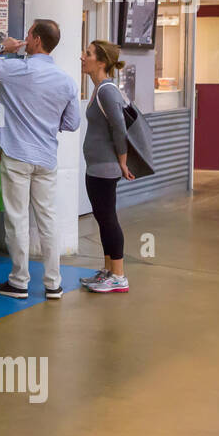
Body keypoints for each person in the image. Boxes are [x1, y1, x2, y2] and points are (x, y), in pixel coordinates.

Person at [0, 19, 80, 301]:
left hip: (17, 155)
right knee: (47, 220)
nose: (24, 37)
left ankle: (19, 282)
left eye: (28, 34)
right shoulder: (66, 81)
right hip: (46, 158)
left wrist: (1, 48)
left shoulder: (17, 69)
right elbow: (73, 122)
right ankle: (54, 284)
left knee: (17, 220)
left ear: (37, 40)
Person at [79, 40, 135, 294]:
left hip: (106, 167)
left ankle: (119, 276)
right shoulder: (99, 88)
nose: (83, 57)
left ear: (100, 62)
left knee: (108, 218)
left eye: (88, 54)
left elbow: (119, 128)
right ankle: (109, 270)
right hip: (96, 166)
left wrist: (122, 162)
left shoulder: (107, 91)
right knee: (102, 218)